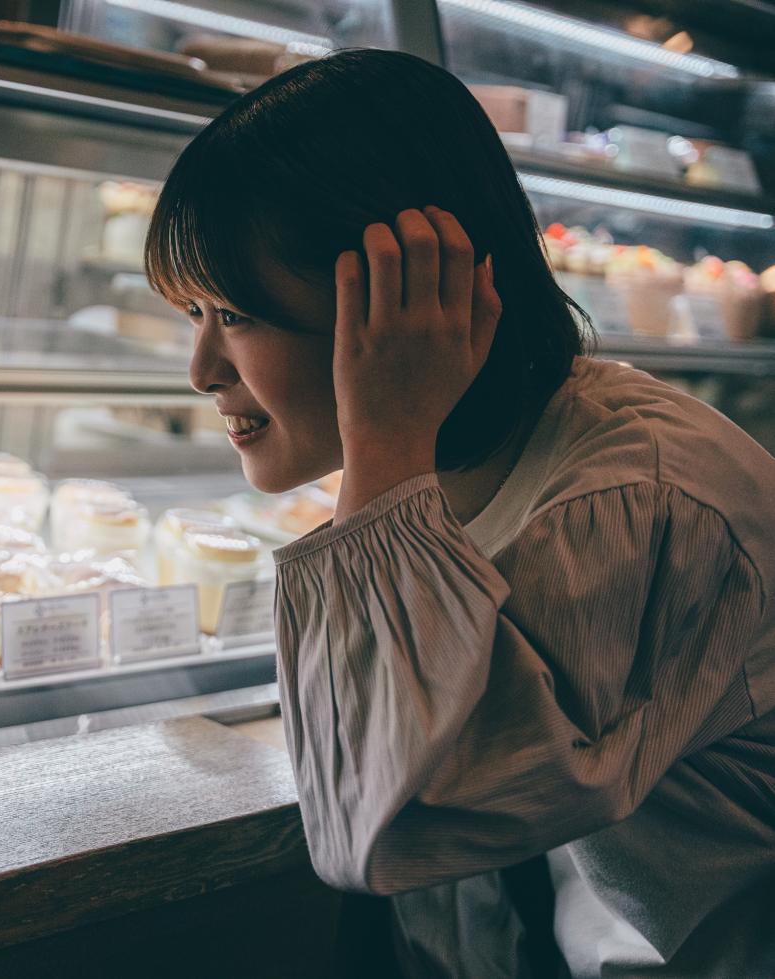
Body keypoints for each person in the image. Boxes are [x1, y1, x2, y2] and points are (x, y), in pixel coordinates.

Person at [144, 48, 775, 977]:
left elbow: (390, 826)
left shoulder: (629, 498)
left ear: (400, 293)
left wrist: (386, 435)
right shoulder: (505, 440)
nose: (200, 369)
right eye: (192, 312)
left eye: (233, 312)